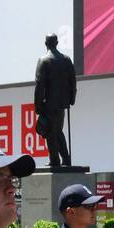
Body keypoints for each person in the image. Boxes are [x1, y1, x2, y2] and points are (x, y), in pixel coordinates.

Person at [34, 34, 76, 169]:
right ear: (57, 43)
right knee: (57, 131)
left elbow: (40, 85)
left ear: (45, 43)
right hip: (62, 103)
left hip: (49, 103)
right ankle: (66, 158)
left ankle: (55, 160)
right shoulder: (66, 60)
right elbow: (73, 82)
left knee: (51, 133)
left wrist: (38, 105)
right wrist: (71, 99)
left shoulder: (44, 60)